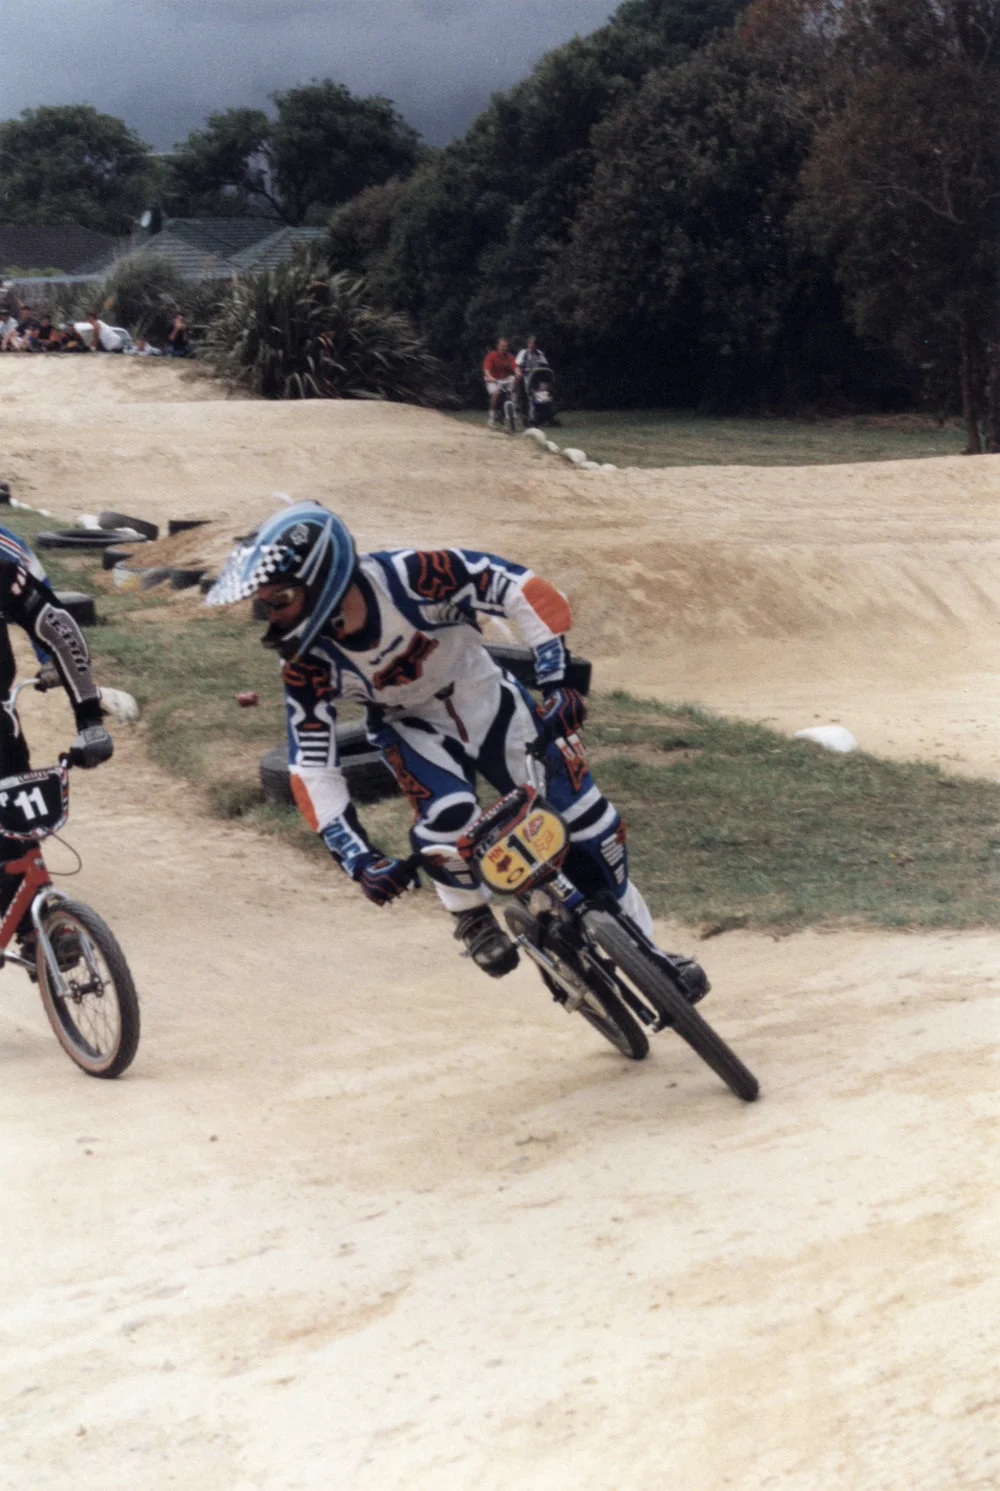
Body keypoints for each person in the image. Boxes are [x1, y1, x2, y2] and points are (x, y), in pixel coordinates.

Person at [206, 502, 708, 995]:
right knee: (448, 819)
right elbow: (312, 764)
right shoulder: (305, 665)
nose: (266, 615)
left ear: (322, 580)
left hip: (486, 694)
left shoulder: (414, 575)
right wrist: (357, 859)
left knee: (593, 828)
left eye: (278, 600)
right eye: (263, 603)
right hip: (410, 727)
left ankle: (649, 953)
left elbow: (521, 588)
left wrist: (558, 678)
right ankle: (469, 915)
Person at [0, 524, 114, 946]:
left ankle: (35, 934)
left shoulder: (4, 563)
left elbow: (59, 627)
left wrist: (89, 719)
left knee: (16, 817)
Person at [482, 337, 518, 429]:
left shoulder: (509, 356)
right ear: (498, 346)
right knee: (496, 392)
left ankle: (512, 414)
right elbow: (486, 370)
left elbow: (515, 366)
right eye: (502, 346)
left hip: (505, 380)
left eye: (505, 346)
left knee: (514, 389)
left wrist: (518, 373)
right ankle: (492, 417)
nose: (504, 348)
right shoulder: (491, 355)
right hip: (493, 380)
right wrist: (491, 378)